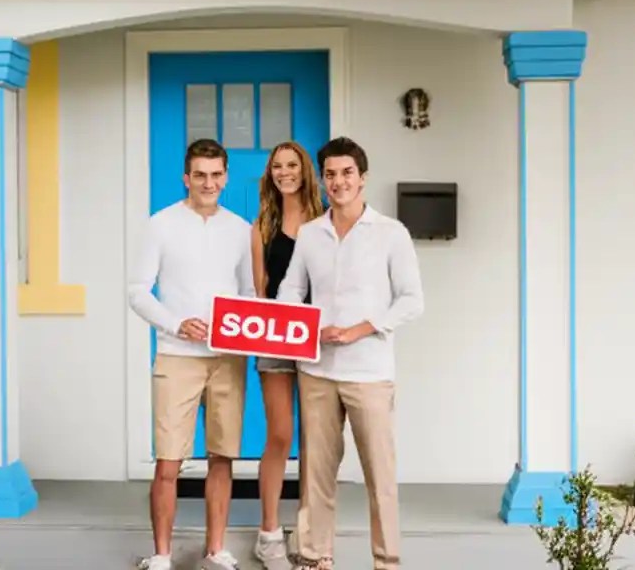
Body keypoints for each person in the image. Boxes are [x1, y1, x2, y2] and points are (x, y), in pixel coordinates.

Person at [277, 137, 423, 570]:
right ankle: (315, 557)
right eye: (330, 174)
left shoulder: (391, 233)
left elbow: (412, 300)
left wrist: (362, 328)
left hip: (370, 373)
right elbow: (290, 290)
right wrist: (306, 326)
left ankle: (387, 562)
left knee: (380, 475)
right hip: (317, 370)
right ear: (322, 180)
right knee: (316, 475)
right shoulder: (310, 233)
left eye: (346, 173)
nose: (338, 181)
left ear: (362, 178)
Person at [127, 138, 256, 570]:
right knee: (168, 461)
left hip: (227, 357)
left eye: (216, 175)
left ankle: (216, 549)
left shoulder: (241, 230)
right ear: (186, 178)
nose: (208, 183)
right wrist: (176, 323)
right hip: (176, 355)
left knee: (223, 456)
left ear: (226, 177)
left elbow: (249, 293)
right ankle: (161, 555)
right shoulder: (161, 224)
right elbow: (138, 291)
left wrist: (239, 329)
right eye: (200, 175)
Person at [248, 141, 324, 569]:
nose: (284, 172)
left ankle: (309, 534)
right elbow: (260, 290)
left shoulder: (325, 220)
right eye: (277, 166)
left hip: (319, 342)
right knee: (280, 434)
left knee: (317, 440)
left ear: (304, 169)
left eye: (292, 164)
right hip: (276, 339)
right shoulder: (262, 225)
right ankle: (269, 533)